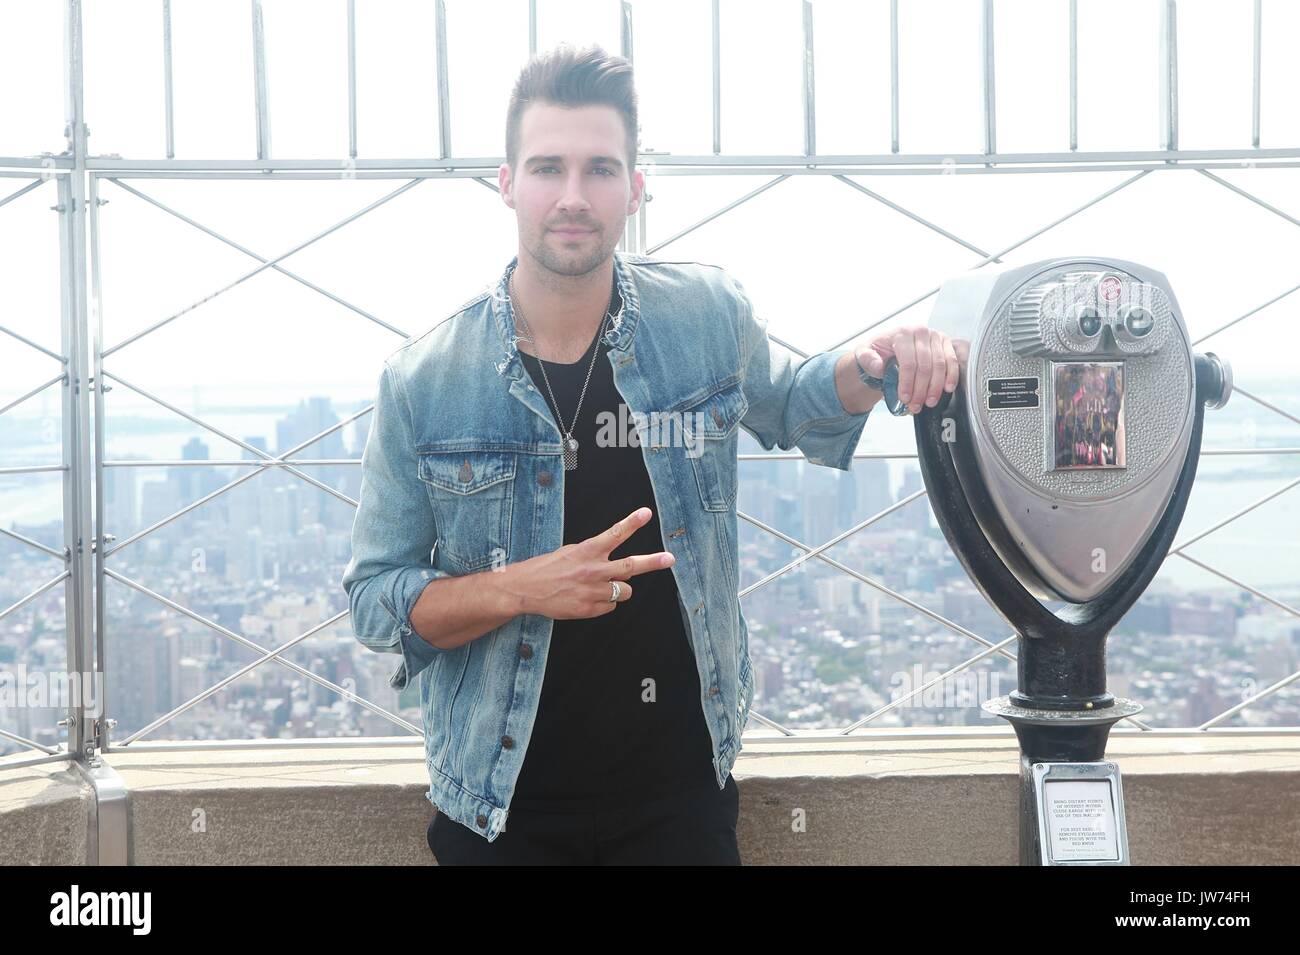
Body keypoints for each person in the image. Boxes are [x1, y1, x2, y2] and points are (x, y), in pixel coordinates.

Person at [341, 44, 964, 866]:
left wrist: (882, 357)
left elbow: (792, 404)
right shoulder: (424, 379)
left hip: (681, 805)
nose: (572, 196)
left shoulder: (704, 315)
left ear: (636, 187)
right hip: (501, 811)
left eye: (600, 169)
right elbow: (375, 600)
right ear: (506, 183)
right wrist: (521, 588)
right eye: (547, 168)